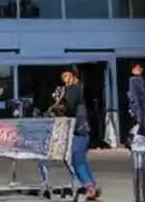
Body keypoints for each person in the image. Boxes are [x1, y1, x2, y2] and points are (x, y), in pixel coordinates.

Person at [49, 66, 100, 201]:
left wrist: (57, 108)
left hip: (79, 129)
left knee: (77, 160)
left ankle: (89, 186)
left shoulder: (75, 89)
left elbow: (68, 107)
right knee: (79, 159)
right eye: (63, 77)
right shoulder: (69, 90)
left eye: (67, 76)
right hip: (77, 129)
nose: (66, 80)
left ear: (74, 76)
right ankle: (91, 185)